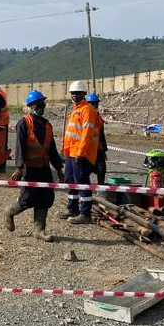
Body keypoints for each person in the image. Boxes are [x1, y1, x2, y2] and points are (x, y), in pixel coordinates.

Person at [5, 90, 65, 241]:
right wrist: (19, 168)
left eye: (43, 104)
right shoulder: (24, 123)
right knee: (28, 198)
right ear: (31, 106)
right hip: (30, 169)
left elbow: (52, 150)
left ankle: (39, 230)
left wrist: (59, 169)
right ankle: (9, 212)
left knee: (45, 198)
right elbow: (19, 146)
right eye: (39, 104)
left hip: (44, 168)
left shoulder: (47, 125)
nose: (42, 107)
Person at [59, 80, 100, 224]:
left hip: (80, 154)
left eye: (78, 93)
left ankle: (85, 213)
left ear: (84, 94)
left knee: (82, 182)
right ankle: (72, 209)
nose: (75, 96)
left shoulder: (87, 110)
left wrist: (80, 154)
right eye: (73, 93)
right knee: (70, 181)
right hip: (71, 153)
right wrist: (66, 152)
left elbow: (87, 134)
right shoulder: (75, 110)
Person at [85, 92, 109, 186]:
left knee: (101, 170)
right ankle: (86, 193)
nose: (95, 105)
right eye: (92, 103)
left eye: (96, 103)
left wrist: (104, 150)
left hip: (98, 150)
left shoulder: (99, 118)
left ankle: (100, 191)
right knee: (85, 173)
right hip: (87, 150)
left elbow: (101, 135)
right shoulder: (85, 116)